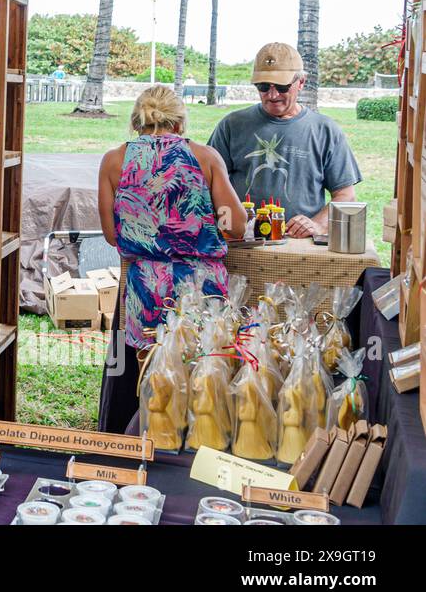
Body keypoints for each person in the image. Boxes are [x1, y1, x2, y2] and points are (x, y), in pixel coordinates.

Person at [95, 85, 246, 434]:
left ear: (137, 124)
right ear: (179, 124)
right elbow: (235, 226)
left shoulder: (115, 161)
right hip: (201, 287)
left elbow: (111, 233)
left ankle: (151, 444)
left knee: (152, 381)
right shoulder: (204, 158)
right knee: (204, 377)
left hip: (147, 288)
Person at [207, 42, 361, 237]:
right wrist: (227, 225)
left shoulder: (325, 130)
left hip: (299, 243)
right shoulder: (232, 125)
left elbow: (345, 195)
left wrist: (317, 224)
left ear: (301, 82)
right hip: (241, 240)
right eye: (263, 87)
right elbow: (207, 184)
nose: (272, 95)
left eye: (282, 86)